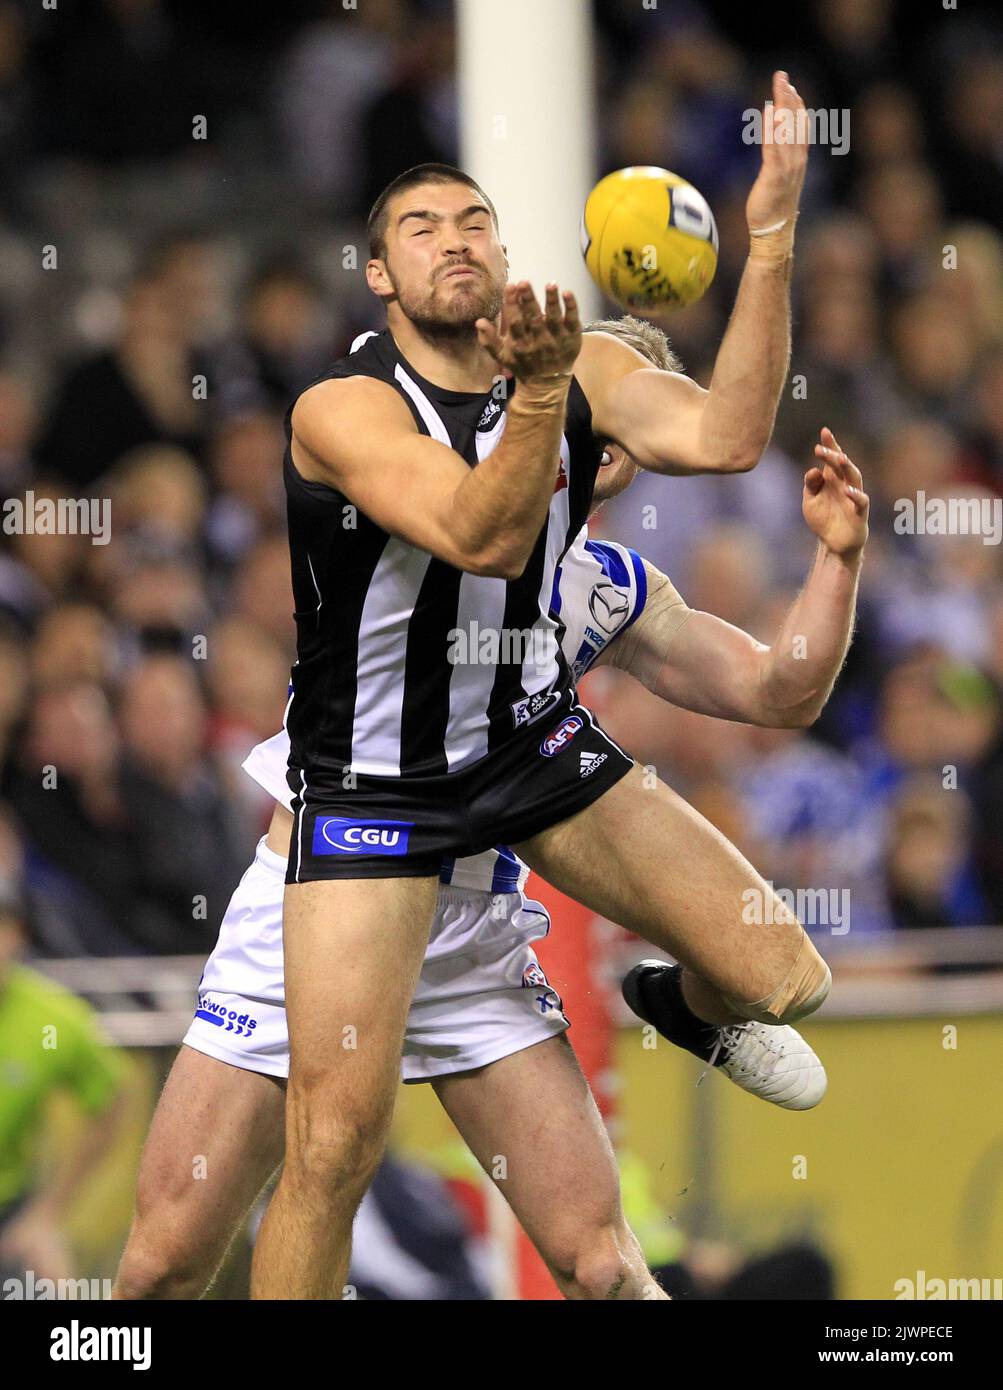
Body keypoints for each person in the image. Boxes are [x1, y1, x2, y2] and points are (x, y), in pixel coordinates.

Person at [113, 325, 868, 1300]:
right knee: (161, 1265)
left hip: (467, 925)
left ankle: (680, 1001)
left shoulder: (610, 588)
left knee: (604, 1265)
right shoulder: (435, 503)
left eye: (627, 412)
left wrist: (837, 564)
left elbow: (776, 691)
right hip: (325, 904)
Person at [262, 72, 814, 1298]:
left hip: (524, 753)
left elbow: (728, 436)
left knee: (788, 978)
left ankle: (681, 1000)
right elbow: (476, 530)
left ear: (506, 252)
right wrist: (549, 390)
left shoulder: (575, 357)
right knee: (333, 1147)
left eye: (473, 224)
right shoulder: (343, 406)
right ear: (380, 279)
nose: (453, 243)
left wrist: (770, 226)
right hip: (376, 789)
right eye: (420, 229)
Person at [0, 892, 132, 1281]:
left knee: (55, 1278)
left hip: (11, 1206)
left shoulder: (51, 1019)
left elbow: (113, 1099)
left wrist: (47, 1213)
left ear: (17, 935)